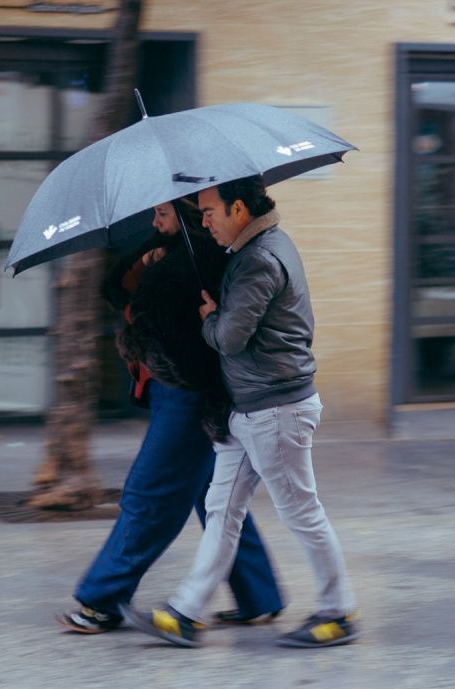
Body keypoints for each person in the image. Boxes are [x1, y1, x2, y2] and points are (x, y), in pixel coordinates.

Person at [120, 176, 359, 649]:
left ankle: (339, 611)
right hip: (248, 409)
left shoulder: (259, 260)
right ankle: (186, 612)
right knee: (222, 509)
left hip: (275, 409)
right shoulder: (253, 251)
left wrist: (209, 316)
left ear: (238, 210)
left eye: (210, 211)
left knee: (301, 512)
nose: (205, 221)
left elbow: (230, 338)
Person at [57, 195, 285, 634]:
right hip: (173, 389)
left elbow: (146, 312)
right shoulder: (172, 250)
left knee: (150, 493)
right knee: (212, 495)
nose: (155, 223)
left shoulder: (204, 259)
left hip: (188, 392)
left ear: (187, 216)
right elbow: (115, 287)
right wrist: (148, 258)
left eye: (163, 215)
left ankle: (102, 600)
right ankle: (259, 596)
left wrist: (156, 277)